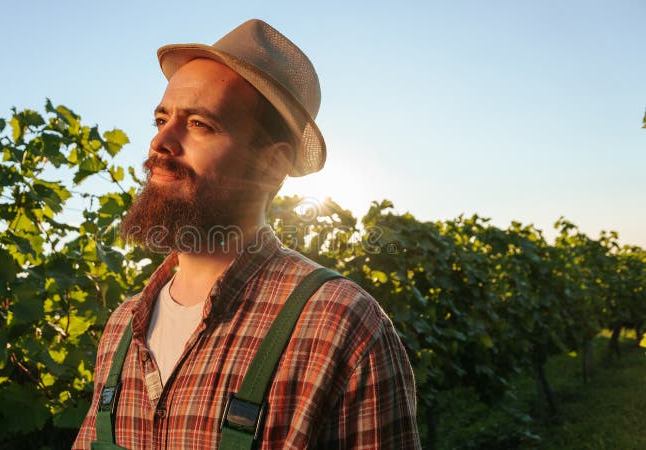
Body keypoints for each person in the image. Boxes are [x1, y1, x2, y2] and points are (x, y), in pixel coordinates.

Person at [73, 19, 420, 449]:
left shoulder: (340, 327)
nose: (161, 141)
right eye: (161, 119)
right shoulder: (122, 329)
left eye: (200, 124)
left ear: (271, 166)